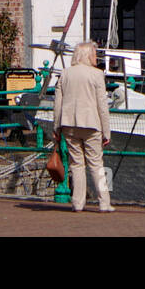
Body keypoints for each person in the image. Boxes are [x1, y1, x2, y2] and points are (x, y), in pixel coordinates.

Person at [52, 40, 114, 212]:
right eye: (94, 54)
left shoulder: (65, 74)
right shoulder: (97, 74)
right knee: (97, 164)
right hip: (92, 124)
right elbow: (102, 105)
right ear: (88, 55)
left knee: (76, 164)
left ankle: (77, 203)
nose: (96, 57)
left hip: (69, 124)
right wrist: (106, 131)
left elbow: (58, 103)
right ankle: (104, 202)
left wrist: (56, 127)